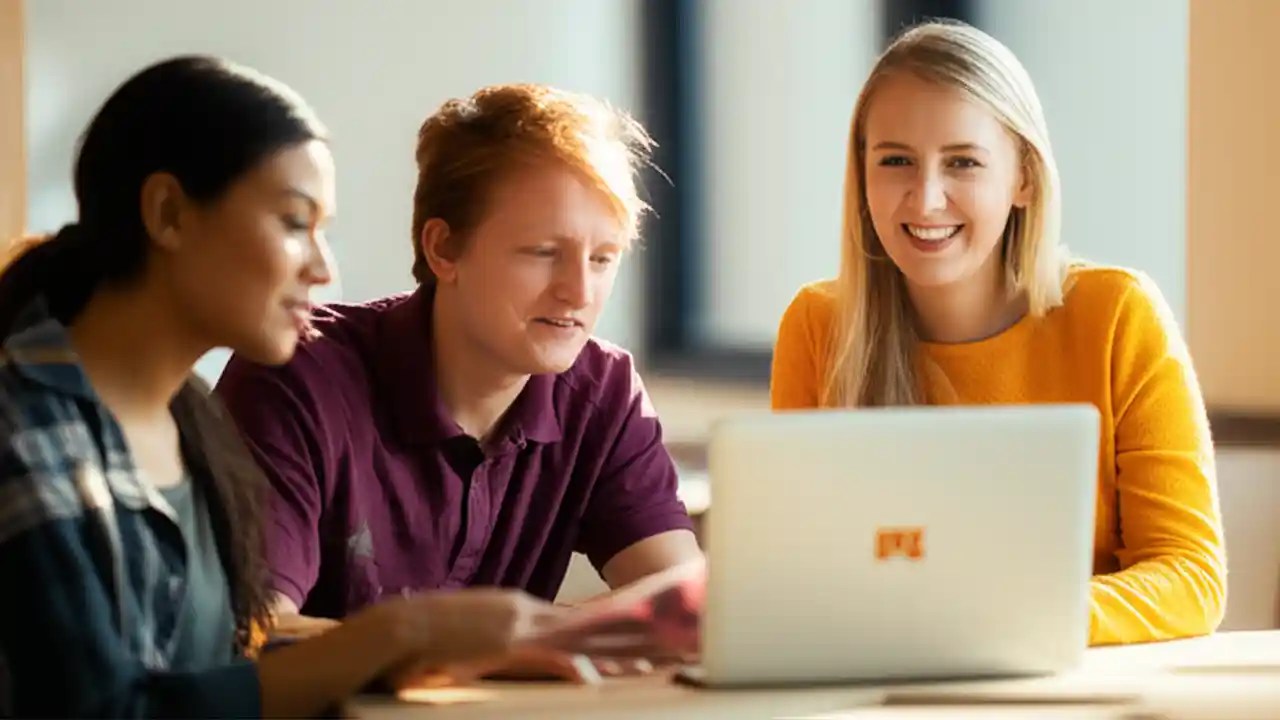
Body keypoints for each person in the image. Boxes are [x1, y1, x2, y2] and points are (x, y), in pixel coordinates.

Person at [0, 56, 656, 718]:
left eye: (604, 258)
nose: (322, 269)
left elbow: (208, 669)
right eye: (293, 223)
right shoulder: (30, 435)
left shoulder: (183, 422)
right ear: (169, 213)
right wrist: (411, 634)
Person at [770, 20, 1226, 646]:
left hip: (1075, 687)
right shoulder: (818, 325)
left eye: (963, 163)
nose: (926, 200)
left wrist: (995, 619)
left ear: (1024, 178)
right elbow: (793, 577)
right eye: (896, 161)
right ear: (862, 175)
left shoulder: (1119, 313)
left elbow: (1191, 577)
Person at [213, 83, 701, 641]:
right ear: (443, 249)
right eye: (544, 253)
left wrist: (545, 633)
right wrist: (470, 638)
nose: (579, 291)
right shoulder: (295, 373)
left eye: (602, 258)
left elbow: (684, 607)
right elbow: (255, 633)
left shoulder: (601, 389)